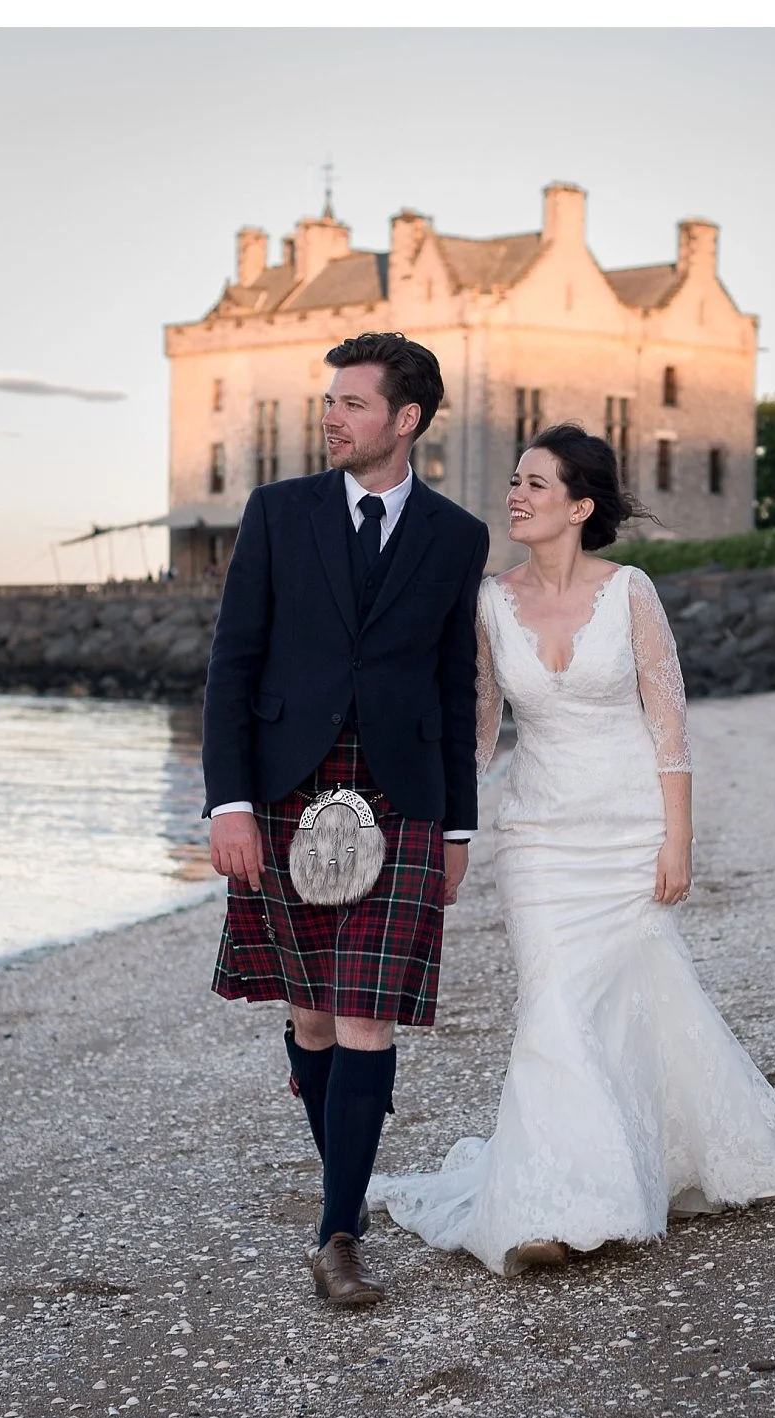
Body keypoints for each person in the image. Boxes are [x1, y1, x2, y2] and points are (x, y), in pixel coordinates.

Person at [369, 424, 775, 1276]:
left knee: (631, 1000)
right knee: (555, 1007)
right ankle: (553, 1206)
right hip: (538, 835)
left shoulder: (632, 592)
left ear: (579, 506)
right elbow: (477, 732)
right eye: (515, 481)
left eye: (538, 485)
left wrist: (678, 839)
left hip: (628, 831)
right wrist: (441, 828)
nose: (517, 496)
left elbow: (670, 726)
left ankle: (646, 1164)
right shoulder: (490, 602)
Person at [201, 332, 491, 1309]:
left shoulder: (455, 538)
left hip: (402, 791)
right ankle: (351, 1186)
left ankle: (337, 1235)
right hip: (286, 785)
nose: (331, 417)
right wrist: (229, 802)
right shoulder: (278, 515)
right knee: (313, 1012)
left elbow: (456, 690)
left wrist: (458, 828)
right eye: (329, 402)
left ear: (405, 421)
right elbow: (233, 663)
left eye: (353, 404)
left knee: (366, 1014)